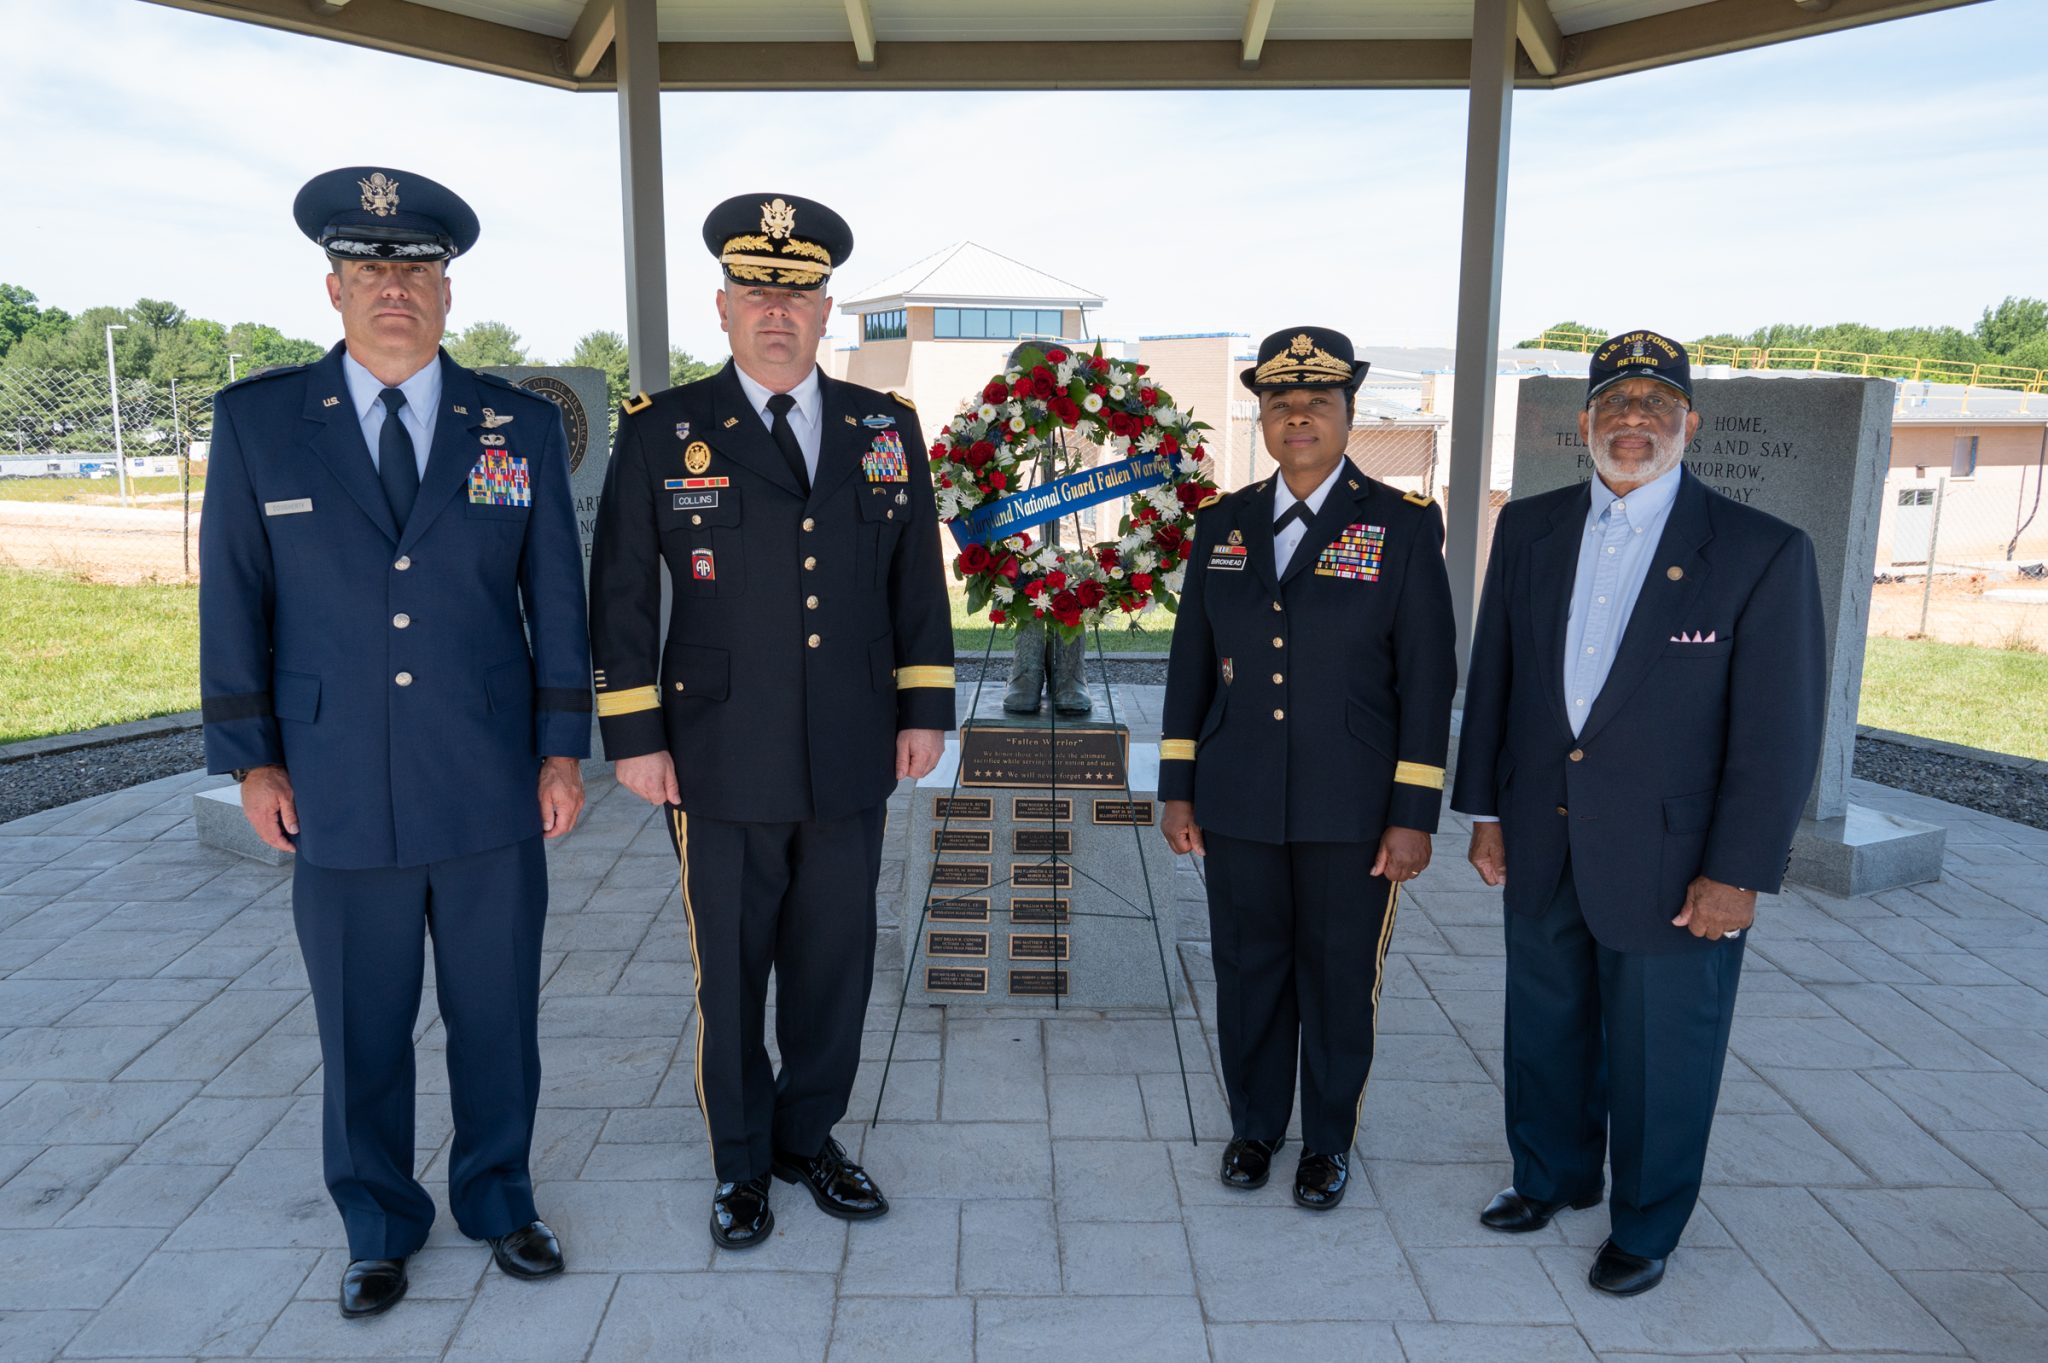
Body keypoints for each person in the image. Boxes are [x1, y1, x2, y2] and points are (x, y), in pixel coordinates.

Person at [199, 168, 590, 1317]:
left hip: (485, 781)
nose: (393, 288)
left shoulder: (511, 423)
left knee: (495, 1014)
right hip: (333, 785)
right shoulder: (261, 420)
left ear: (447, 289)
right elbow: (234, 597)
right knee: (360, 1024)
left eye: (414, 267)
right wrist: (253, 759)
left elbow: (553, 599)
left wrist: (561, 748)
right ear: (332, 288)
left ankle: (499, 1197)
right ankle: (377, 1220)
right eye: (369, 267)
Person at [587, 192, 954, 1250]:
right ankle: (740, 1164)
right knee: (734, 964)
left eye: (795, 295)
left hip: (849, 741)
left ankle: (808, 1139)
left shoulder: (884, 430)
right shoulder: (665, 431)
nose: (776, 313)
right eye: (755, 293)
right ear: (722, 306)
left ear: (825, 308)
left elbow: (913, 583)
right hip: (714, 751)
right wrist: (633, 734)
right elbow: (617, 591)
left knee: (835, 955)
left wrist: (922, 707)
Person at [1450, 330, 1825, 1296]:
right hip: (1542, 830)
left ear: (1689, 424)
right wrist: (1485, 810)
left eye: (1655, 405)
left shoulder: (1760, 551)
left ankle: (1647, 1223)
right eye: (1615, 404)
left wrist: (1738, 869)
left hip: (1677, 860)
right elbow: (1496, 681)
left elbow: (1777, 735)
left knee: (1664, 1052)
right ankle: (1551, 1174)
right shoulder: (1527, 530)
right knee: (1545, 1020)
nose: (1633, 421)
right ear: (1584, 424)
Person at [1159, 327, 1457, 1210]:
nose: (1298, 418)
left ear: (1348, 414)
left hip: (1353, 804)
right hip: (1239, 792)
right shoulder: (1223, 523)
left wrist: (1413, 811)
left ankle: (1327, 1140)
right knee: (1248, 973)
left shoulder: (1401, 525)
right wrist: (1179, 785)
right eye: (1281, 404)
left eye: (1317, 403)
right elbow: (1188, 664)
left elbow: (1429, 677)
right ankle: (1255, 1127)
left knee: (1335, 979)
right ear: (1261, 415)